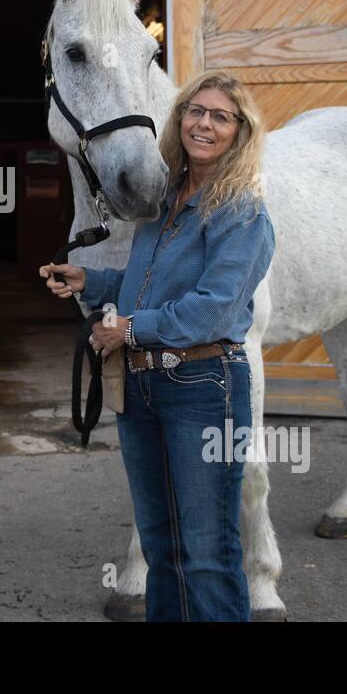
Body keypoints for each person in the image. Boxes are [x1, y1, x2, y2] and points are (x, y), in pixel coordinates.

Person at [40, 73, 275, 622]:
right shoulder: (168, 199)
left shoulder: (242, 212)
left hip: (203, 386)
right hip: (144, 387)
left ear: (241, 132)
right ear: (178, 119)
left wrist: (126, 329)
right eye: (195, 111)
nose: (204, 124)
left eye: (221, 116)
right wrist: (90, 282)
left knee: (207, 552)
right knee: (162, 546)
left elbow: (212, 310)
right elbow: (146, 281)